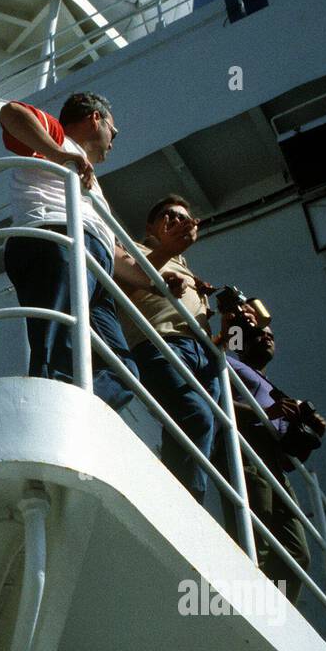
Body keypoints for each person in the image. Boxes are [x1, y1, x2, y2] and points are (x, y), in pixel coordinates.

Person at [0, 91, 140, 411]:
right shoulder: (58, 138)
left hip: (94, 261)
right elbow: (11, 113)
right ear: (95, 118)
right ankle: (46, 411)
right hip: (55, 241)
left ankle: (68, 410)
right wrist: (59, 155)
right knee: (56, 348)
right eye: (113, 132)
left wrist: (164, 279)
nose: (113, 142)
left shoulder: (89, 178)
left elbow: (119, 257)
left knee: (124, 372)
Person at [115, 195, 219, 504]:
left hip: (203, 356)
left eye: (182, 217)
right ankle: (187, 505)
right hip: (160, 343)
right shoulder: (136, 251)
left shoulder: (191, 274)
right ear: (150, 227)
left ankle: (179, 499)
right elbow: (119, 291)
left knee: (199, 430)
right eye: (168, 216)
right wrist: (165, 251)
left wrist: (227, 334)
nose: (176, 220)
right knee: (194, 416)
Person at [215, 315, 325, 604]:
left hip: (274, 465)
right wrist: (270, 413)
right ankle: (245, 606)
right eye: (258, 333)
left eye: (270, 335)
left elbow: (289, 459)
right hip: (245, 451)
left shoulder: (270, 386)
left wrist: (308, 435)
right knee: (255, 533)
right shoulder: (230, 362)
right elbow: (216, 400)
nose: (267, 337)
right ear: (242, 341)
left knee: (297, 552)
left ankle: (275, 613)